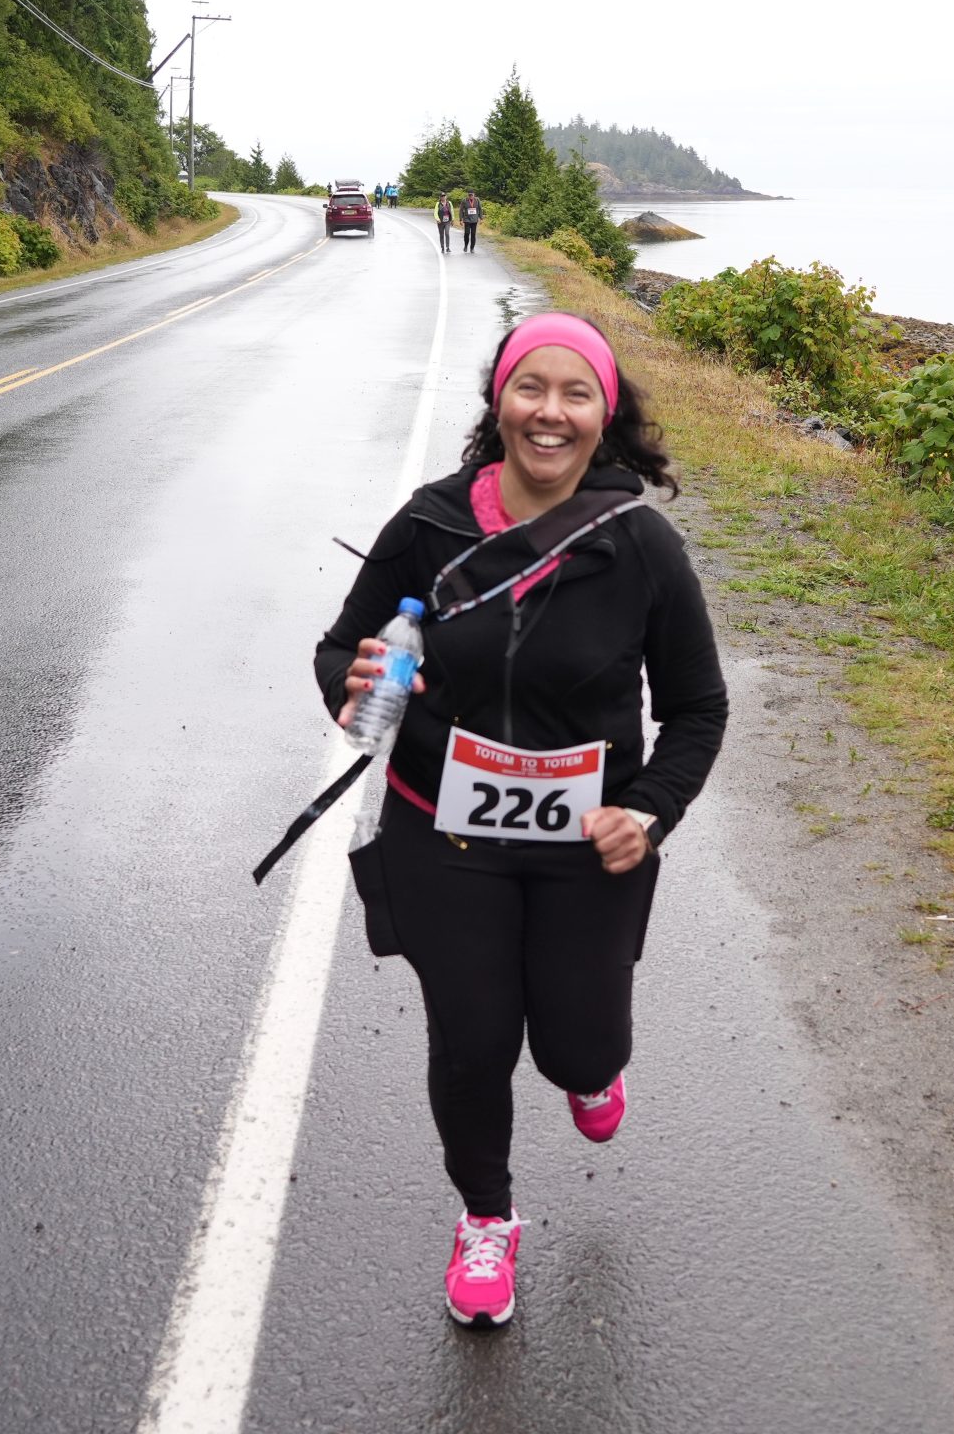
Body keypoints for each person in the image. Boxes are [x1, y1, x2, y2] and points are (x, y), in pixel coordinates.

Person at [315, 312, 727, 1329]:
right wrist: (353, 685)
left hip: (586, 848)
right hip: (440, 833)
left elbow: (696, 709)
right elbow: (338, 653)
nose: (548, 412)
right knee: (472, 1041)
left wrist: (648, 808)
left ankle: (591, 1075)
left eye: (573, 393)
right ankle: (485, 1218)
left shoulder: (639, 548)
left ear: (603, 415)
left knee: (575, 1051)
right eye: (528, 388)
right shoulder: (429, 523)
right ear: (499, 402)